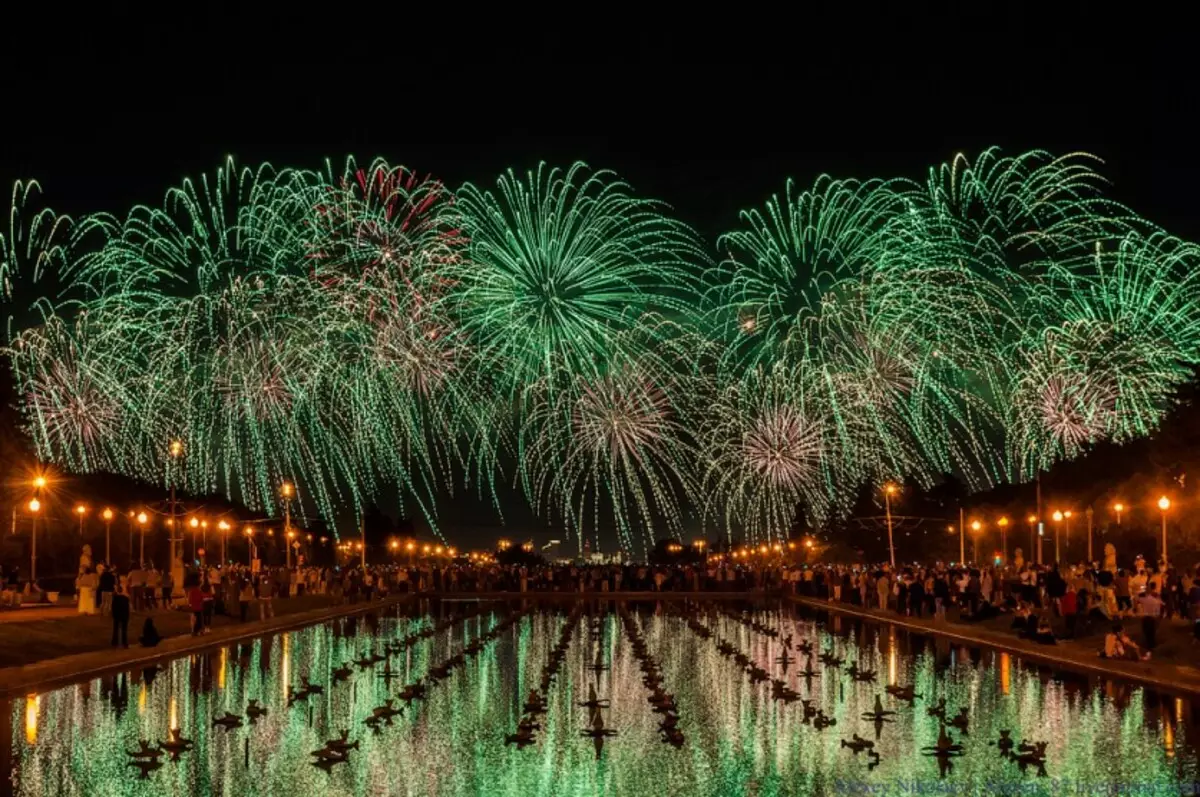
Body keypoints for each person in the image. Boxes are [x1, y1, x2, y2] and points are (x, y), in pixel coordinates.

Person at [1137, 588, 1162, 655]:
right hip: (1152, 618)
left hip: (1145, 618)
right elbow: (1158, 612)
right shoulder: (1156, 601)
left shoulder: (1144, 600)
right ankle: (1152, 646)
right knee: (1152, 633)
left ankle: (1147, 645)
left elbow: (1137, 598)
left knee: (1146, 632)